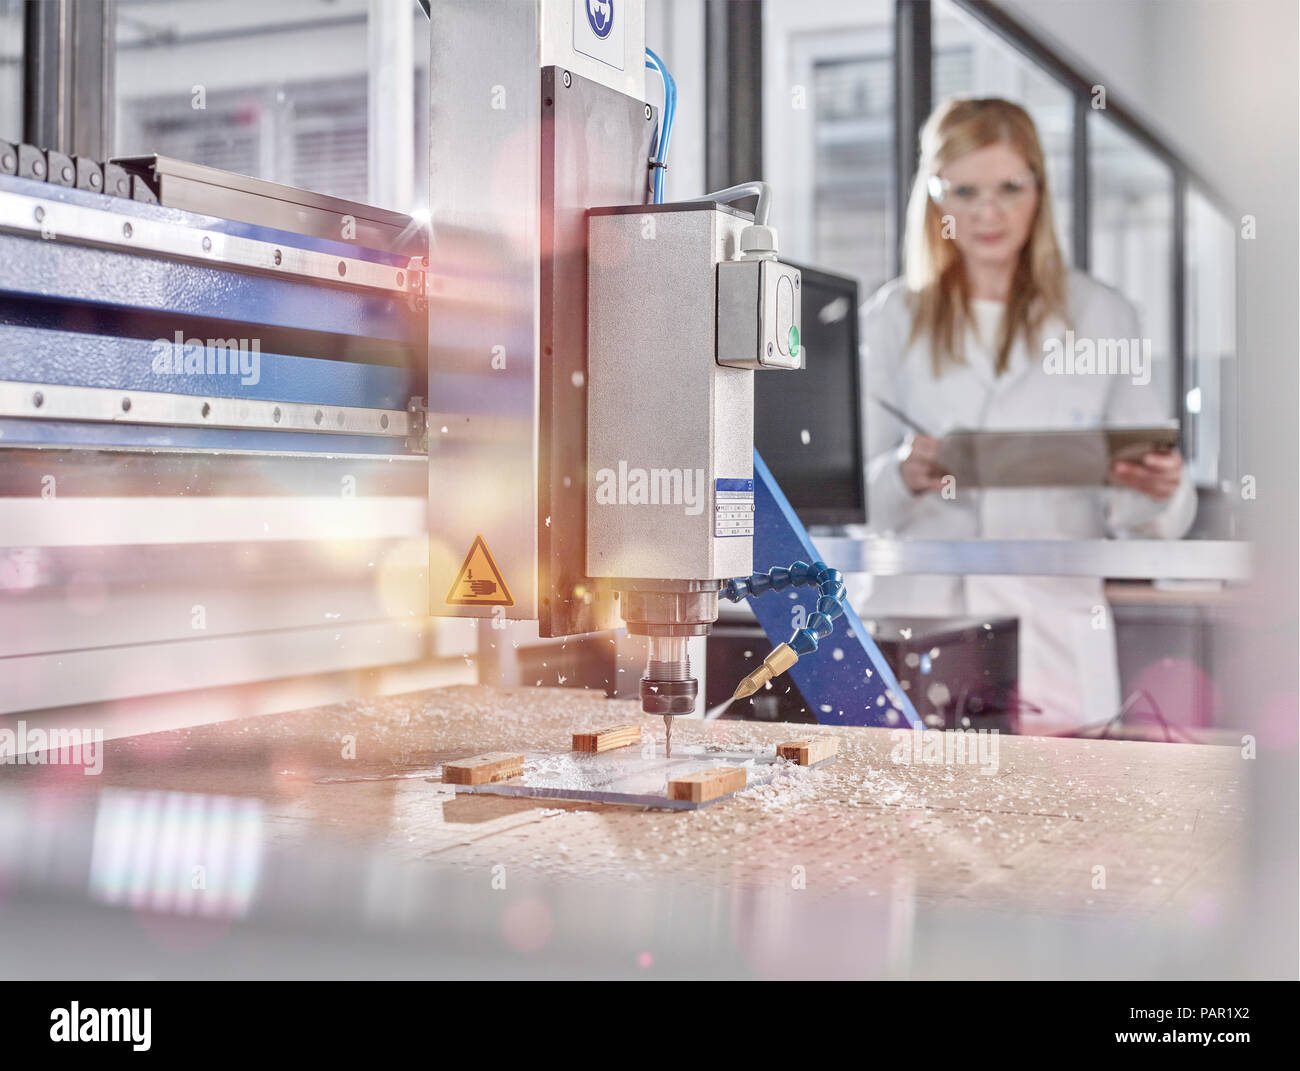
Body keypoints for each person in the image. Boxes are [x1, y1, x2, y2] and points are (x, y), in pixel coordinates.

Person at [859, 97, 1196, 733]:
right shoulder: (888, 321)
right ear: (935, 199)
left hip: (1056, 644)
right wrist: (902, 472)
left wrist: (1160, 490)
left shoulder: (1104, 316)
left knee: (1065, 824)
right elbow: (846, 505)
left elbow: (1149, 515)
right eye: (965, 191)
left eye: (1009, 188)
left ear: (1038, 190)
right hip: (924, 634)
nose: (988, 213)